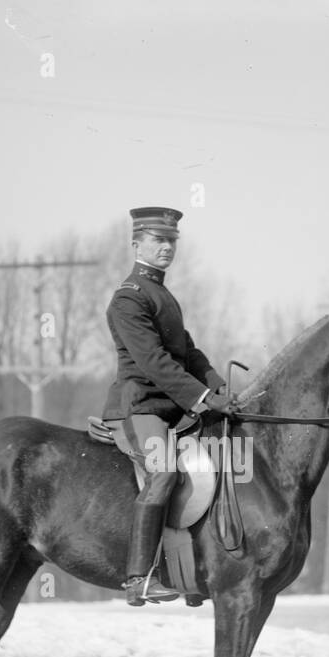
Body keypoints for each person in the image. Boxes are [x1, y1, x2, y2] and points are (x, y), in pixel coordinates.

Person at [102, 206, 236, 605]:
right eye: (158, 240)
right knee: (163, 473)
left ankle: (192, 570)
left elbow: (189, 353)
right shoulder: (129, 299)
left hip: (172, 406)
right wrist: (200, 397)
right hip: (141, 407)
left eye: (171, 241)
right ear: (136, 243)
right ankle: (139, 578)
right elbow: (154, 363)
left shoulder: (163, 296)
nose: (167, 248)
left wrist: (219, 389)